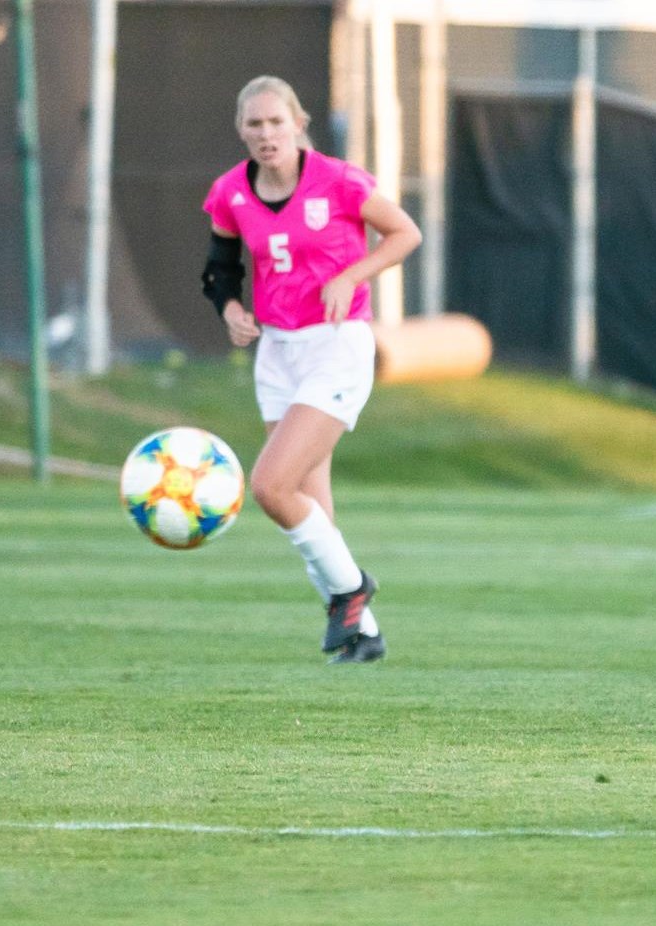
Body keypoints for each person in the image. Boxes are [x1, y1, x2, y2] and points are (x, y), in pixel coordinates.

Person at [200, 75, 422, 663]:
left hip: (337, 346)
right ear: (241, 131)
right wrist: (230, 309)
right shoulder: (230, 192)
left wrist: (351, 275)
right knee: (309, 502)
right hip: (277, 353)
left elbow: (405, 232)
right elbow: (220, 267)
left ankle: (350, 590)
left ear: (299, 125)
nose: (266, 134)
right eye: (254, 124)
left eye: (277, 122)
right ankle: (363, 632)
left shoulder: (339, 181)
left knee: (272, 487)